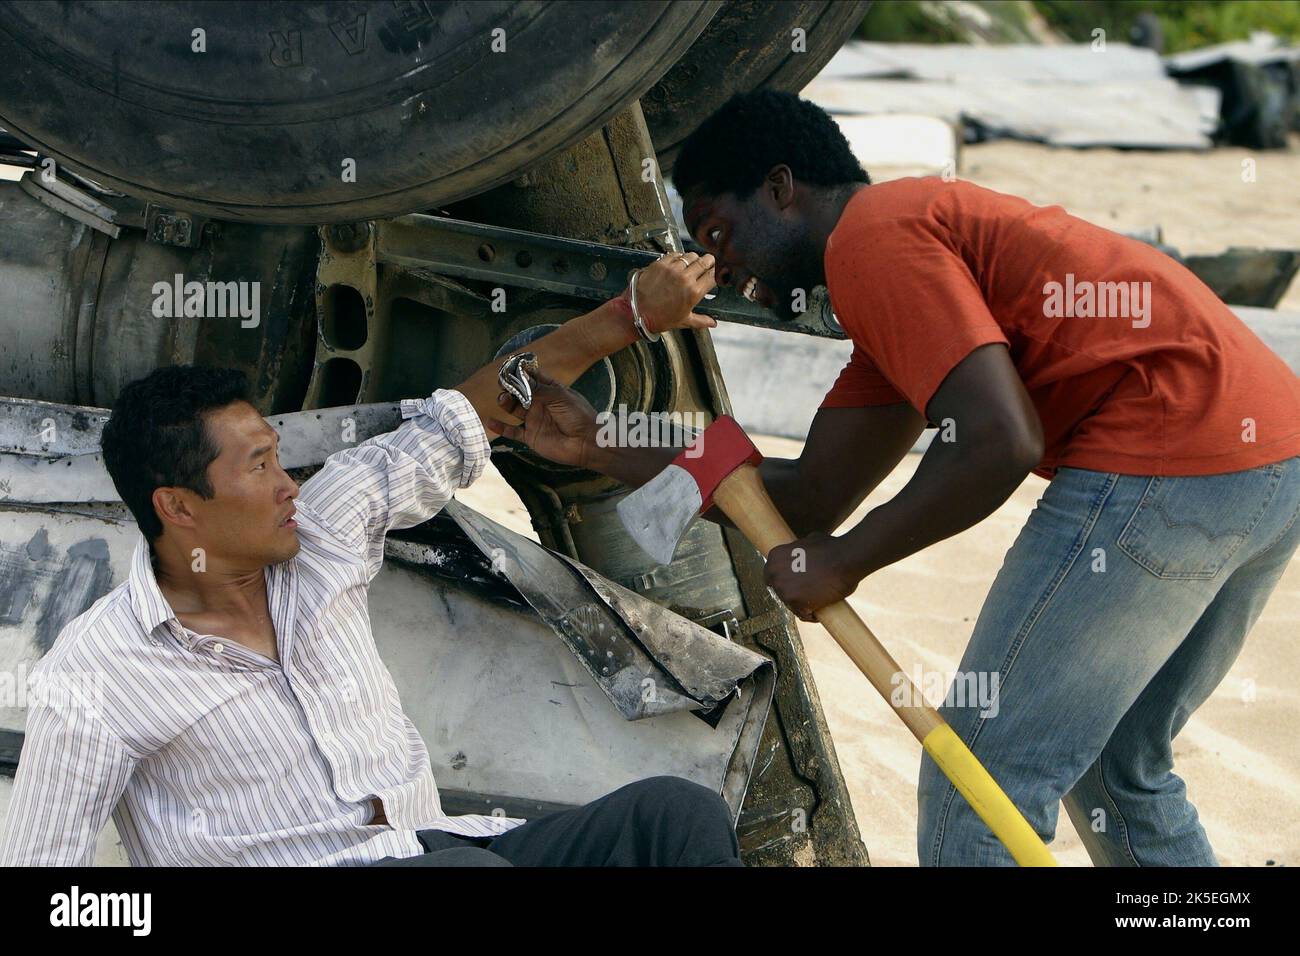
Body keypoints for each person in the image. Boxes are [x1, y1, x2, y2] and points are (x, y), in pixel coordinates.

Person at [488, 89, 1300, 866]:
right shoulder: (896, 284)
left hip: (1170, 456)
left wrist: (850, 561)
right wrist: (599, 445)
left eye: (716, 231)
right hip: (1266, 458)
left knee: (978, 783)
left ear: (780, 189)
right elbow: (806, 496)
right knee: (1120, 769)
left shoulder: (875, 239)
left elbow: (997, 441)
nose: (720, 269)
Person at [0, 253, 742, 867]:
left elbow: (478, 409)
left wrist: (629, 316)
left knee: (675, 820)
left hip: (435, 850)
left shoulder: (322, 532)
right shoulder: (100, 670)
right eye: (259, 468)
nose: (289, 485)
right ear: (179, 506)